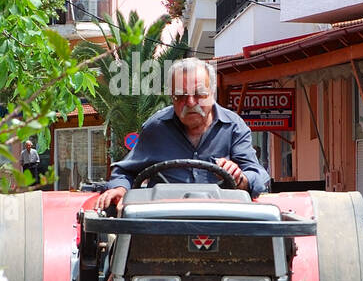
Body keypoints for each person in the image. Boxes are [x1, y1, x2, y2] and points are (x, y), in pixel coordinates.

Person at [95, 58, 269, 213]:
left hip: (221, 224)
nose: (191, 102)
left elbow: (257, 175)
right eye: (180, 96)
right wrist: (120, 189)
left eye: (199, 94)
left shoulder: (234, 127)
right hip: (162, 225)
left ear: (212, 93)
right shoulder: (156, 128)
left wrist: (240, 178)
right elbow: (125, 170)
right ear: (171, 97)